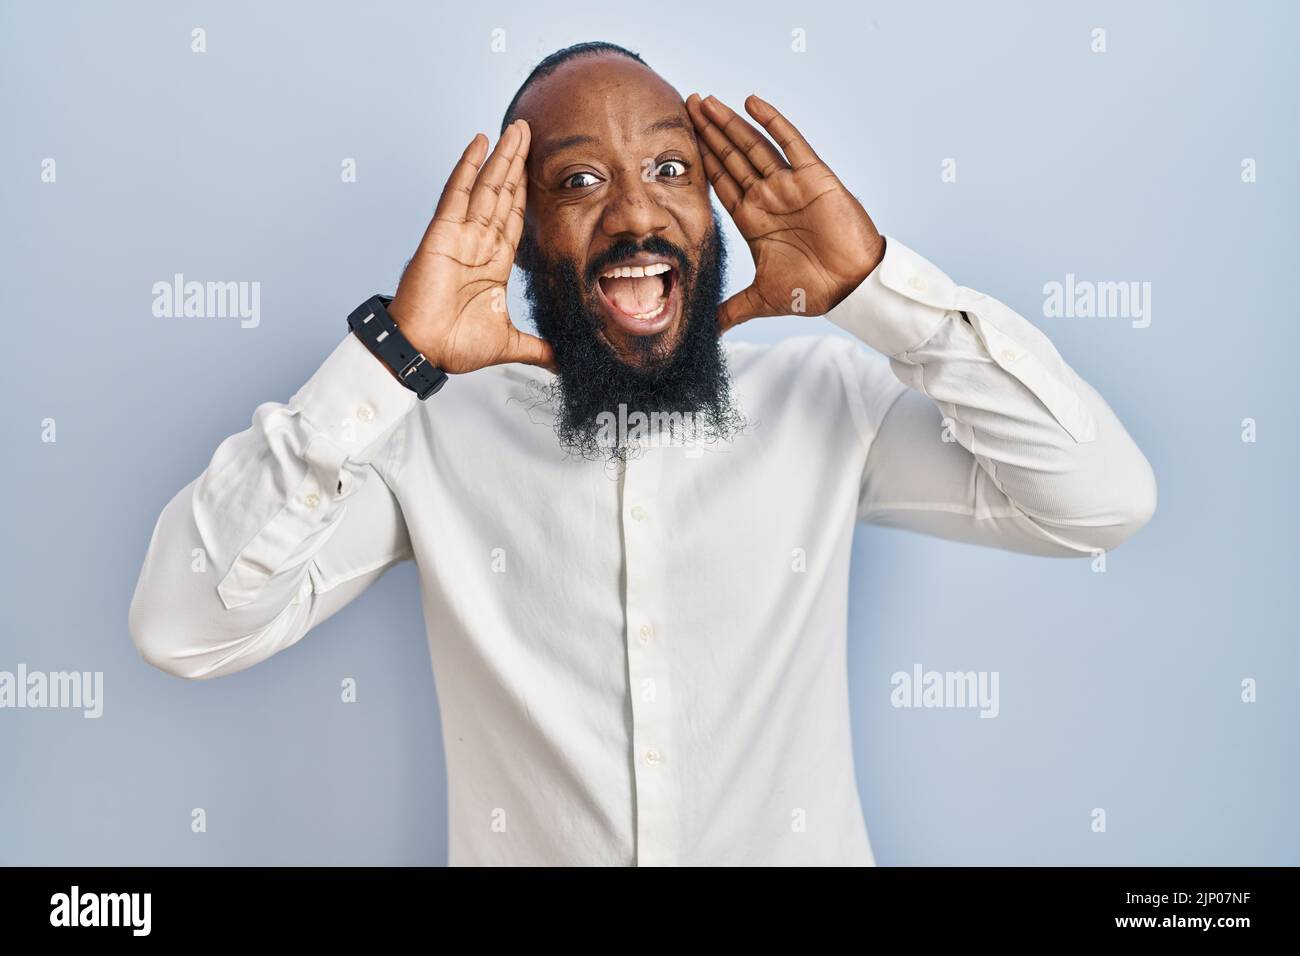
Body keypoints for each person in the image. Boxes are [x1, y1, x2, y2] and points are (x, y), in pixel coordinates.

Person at [128, 42, 1157, 866]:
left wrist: (876, 289)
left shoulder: (823, 399)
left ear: (710, 214)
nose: (634, 213)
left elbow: (1098, 500)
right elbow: (187, 626)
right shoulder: (430, 434)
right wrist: (388, 360)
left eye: (672, 169)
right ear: (524, 233)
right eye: (578, 181)